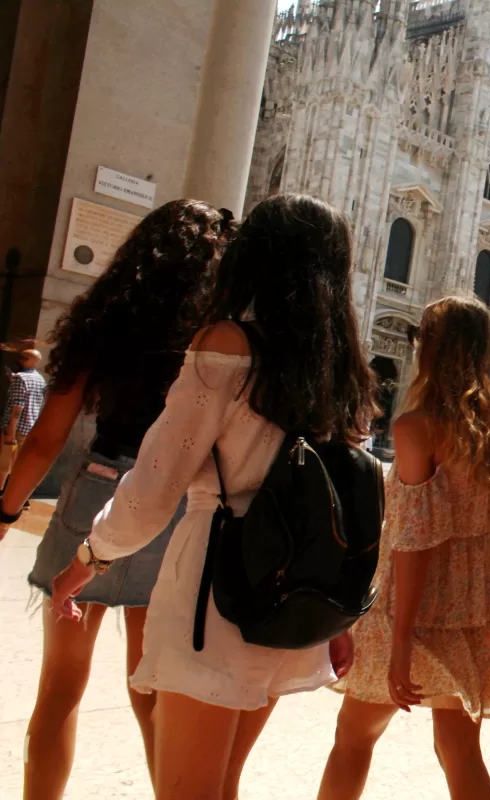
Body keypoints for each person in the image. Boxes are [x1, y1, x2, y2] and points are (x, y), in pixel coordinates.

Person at [47, 194, 370, 798]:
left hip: (218, 589)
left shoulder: (229, 345)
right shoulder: (339, 369)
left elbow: (154, 486)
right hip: (290, 596)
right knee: (221, 785)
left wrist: (89, 558)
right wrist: (338, 614)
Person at [0, 200, 233, 798]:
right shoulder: (213, 337)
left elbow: (46, 439)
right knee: (151, 689)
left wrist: (5, 511)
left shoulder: (108, 320)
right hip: (173, 501)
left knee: (60, 688)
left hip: (100, 488)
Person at [321, 295, 490, 800]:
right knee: (459, 750)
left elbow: (414, 541)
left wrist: (400, 642)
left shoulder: (417, 428)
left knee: (353, 738)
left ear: (435, 349)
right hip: (472, 614)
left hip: (412, 610)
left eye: (420, 336)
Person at [0, 348, 46, 494]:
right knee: (19, 464)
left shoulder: (20, 378)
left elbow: (17, 407)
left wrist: (10, 432)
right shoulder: (40, 379)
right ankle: (19, 497)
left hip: (16, 428)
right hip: (29, 426)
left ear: (24, 360)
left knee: (4, 464)